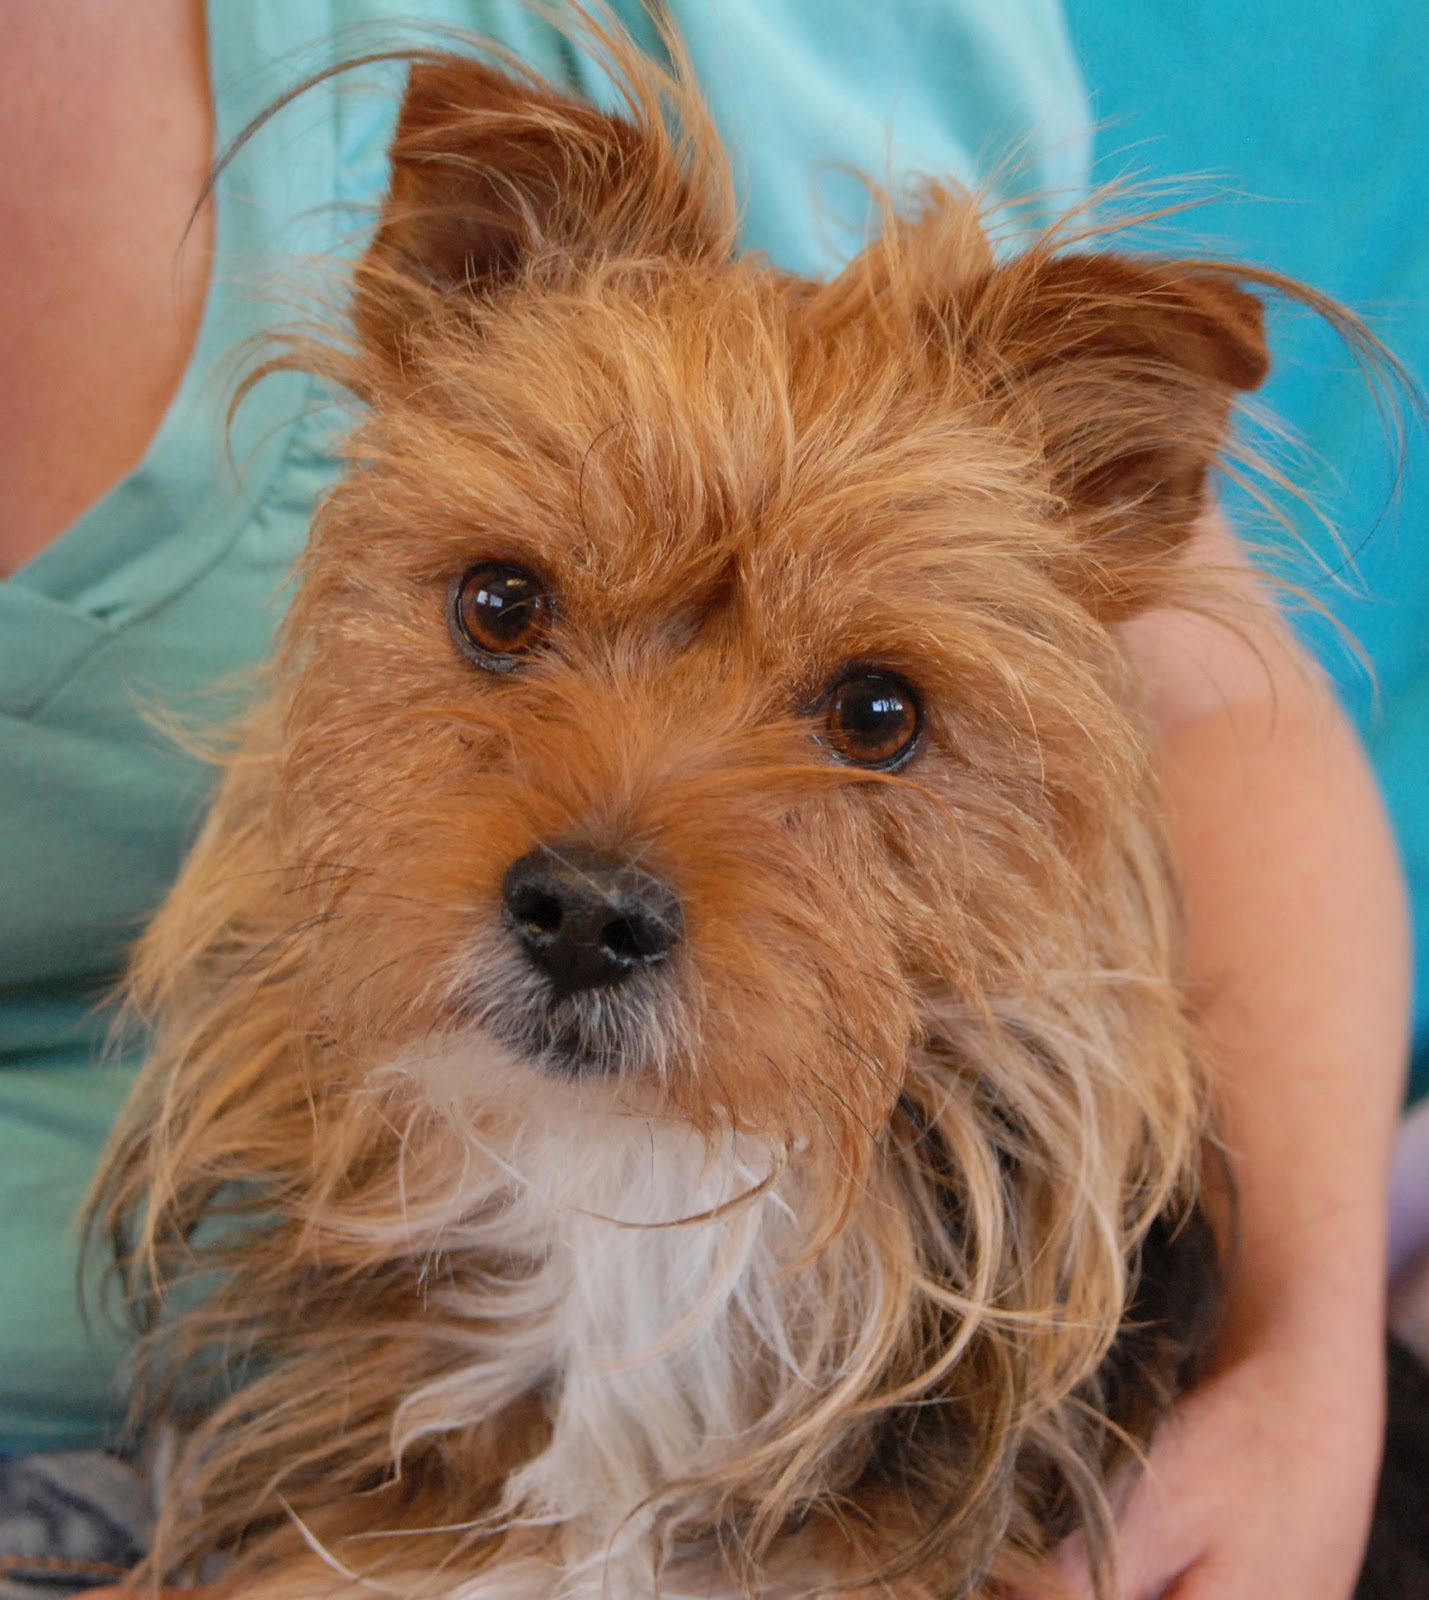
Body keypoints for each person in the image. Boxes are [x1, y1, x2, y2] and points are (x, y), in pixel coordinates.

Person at [0, 3, 1408, 1598]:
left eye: (870, 717)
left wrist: (1301, 1364)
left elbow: (1223, 712)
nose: (604, 863)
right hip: (221, 1411)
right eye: (507, 614)